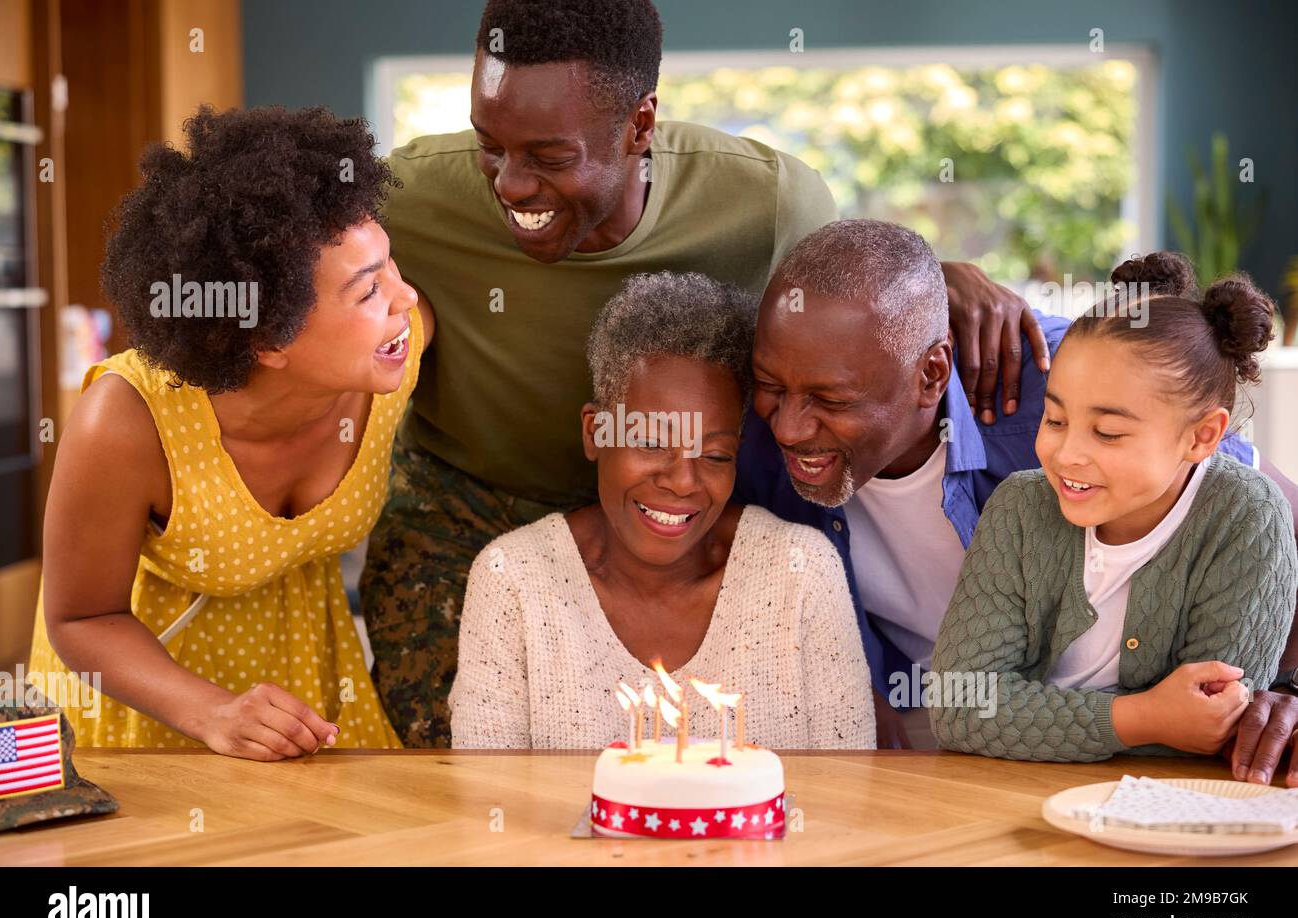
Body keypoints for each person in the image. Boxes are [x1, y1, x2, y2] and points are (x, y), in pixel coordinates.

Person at [363, 0, 1048, 747]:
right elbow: (327, 287)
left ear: (640, 127)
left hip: (683, 493)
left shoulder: (766, 201)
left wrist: (943, 280)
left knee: (673, 755)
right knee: (452, 766)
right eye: (489, 144)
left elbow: (859, 293)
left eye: (549, 157)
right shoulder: (408, 198)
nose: (510, 184)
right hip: (462, 504)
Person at [735, 221, 1297, 774]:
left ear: (933, 372)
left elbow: (1215, 712)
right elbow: (966, 708)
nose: (787, 426)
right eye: (770, 387)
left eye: (829, 398)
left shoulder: (1052, 373)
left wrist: (1290, 688)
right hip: (950, 727)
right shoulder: (751, 439)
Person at [27, 105, 429, 758]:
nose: (407, 298)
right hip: (142, 714)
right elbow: (80, 618)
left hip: (300, 693)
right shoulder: (126, 423)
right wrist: (213, 713)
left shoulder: (393, 355)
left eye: (392, 266)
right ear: (267, 338)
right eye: (367, 292)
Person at [448, 272, 875, 749]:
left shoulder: (802, 573)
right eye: (651, 443)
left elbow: (848, 796)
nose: (683, 481)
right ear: (595, 432)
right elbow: (486, 800)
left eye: (715, 456)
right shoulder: (513, 581)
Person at [929, 254, 1297, 760]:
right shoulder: (1018, 507)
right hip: (1008, 797)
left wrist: (1030, 716)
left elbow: (1211, 724)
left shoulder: (1246, 520)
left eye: (1107, 432)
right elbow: (958, 707)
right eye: (1054, 420)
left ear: (1202, 436)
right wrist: (1145, 717)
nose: (1066, 454)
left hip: (1163, 813)